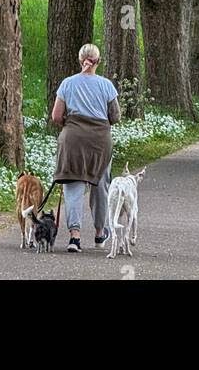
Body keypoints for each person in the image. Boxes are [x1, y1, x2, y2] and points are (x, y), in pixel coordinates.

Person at [51, 43, 120, 253]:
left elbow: (56, 116)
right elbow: (115, 117)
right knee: (100, 186)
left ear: (80, 60)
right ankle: (100, 233)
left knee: (73, 187)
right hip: (100, 142)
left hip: (73, 140)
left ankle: (75, 237)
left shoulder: (67, 84)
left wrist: (71, 123)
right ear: (97, 61)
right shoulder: (107, 85)